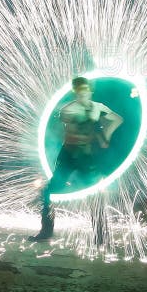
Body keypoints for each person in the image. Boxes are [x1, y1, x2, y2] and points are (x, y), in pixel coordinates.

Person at [28, 76, 123, 243]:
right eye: (79, 91)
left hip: (85, 158)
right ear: (75, 93)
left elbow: (117, 119)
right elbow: (63, 130)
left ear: (90, 90)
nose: (82, 94)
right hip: (68, 156)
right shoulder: (69, 109)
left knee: (95, 193)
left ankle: (100, 235)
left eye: (85, 90)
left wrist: (106, 134)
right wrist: (90, 133)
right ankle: (46, 231)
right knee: (49, 191)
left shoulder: (98, 107)